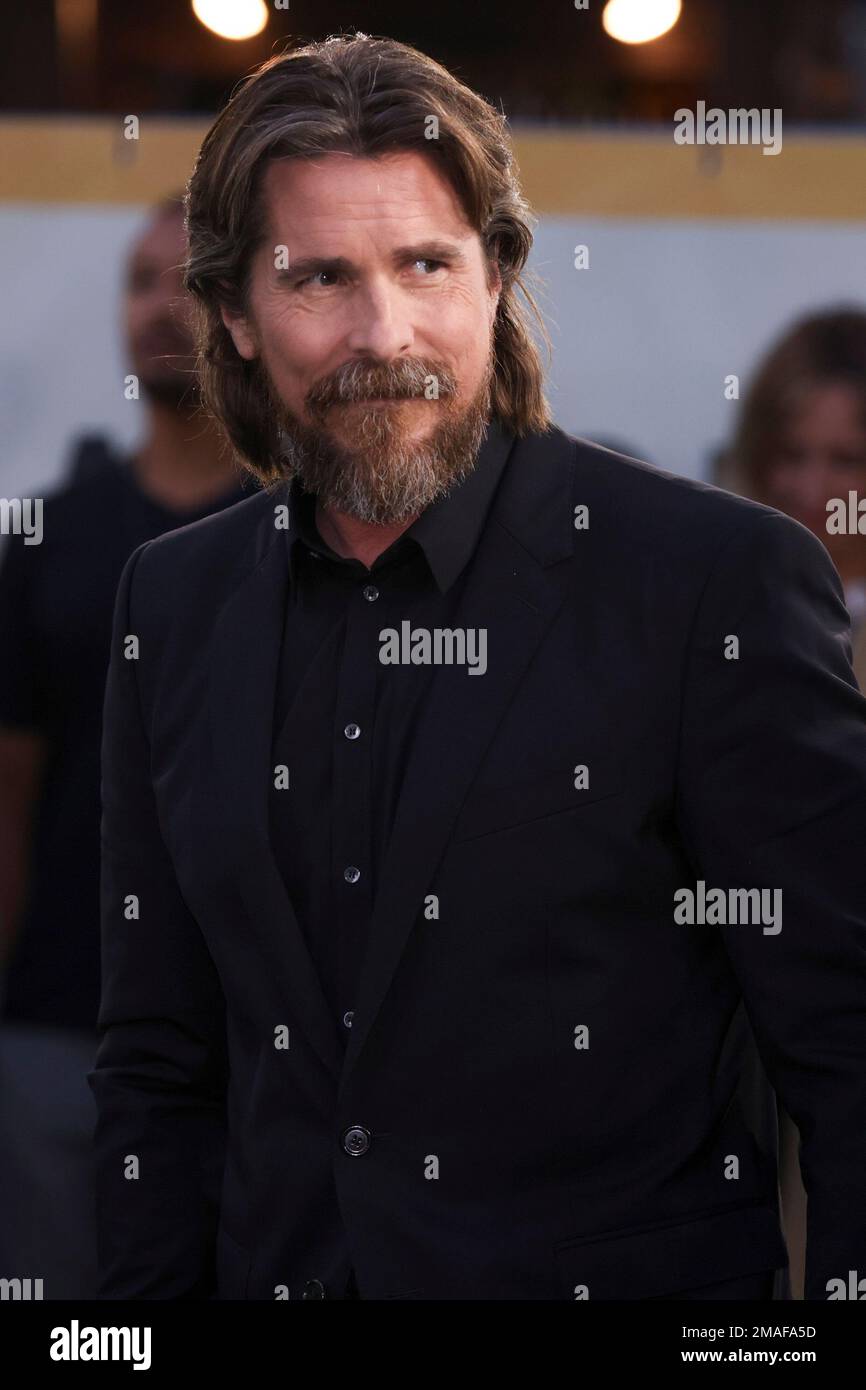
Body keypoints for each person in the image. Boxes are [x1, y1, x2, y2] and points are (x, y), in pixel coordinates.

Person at [89, 35, 866, 1301]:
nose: (381, 331)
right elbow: (157, 1063)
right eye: (320, 277)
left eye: (426, 265)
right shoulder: (170, 605)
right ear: (231, 311)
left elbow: (843, 1044)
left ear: (497, 277)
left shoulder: (703, 584)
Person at [0, 196, 253, 1298]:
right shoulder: (49, 538)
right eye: (140, 279)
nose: (160, 305)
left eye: (191, 279)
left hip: (259, 1039)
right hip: (63, 1026)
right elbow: (6, 805)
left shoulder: (312, 538)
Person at [725, 306, 866, 1296]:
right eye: (787, 452)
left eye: (843, 458)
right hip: (729, 1036)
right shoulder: (710, 598)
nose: (808, 487)